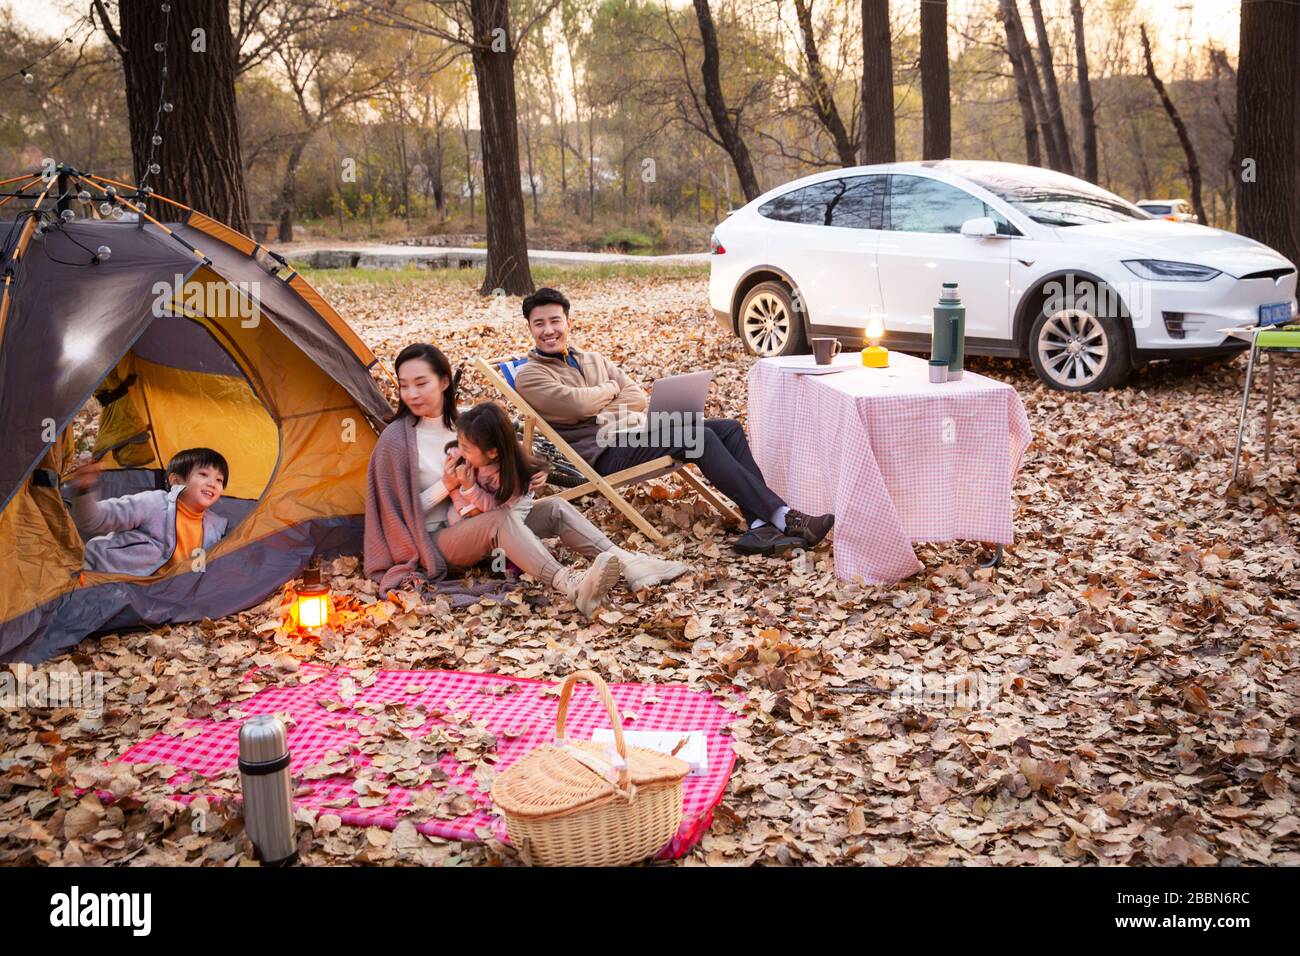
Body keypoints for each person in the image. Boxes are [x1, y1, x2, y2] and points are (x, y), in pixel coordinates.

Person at [363, 344, 687, 619]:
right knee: (500, 520)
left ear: (444, 381)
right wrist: (445, 487)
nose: (412, 393)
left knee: (555, 507)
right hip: (435, 541)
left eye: (421, 383)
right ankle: (571, 585)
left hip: (489, 516)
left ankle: (630, 564)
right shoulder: (396, 441)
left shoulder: (469, 422)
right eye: (404, 386)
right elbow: (393, 517)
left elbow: (506, 463)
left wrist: (530, 474)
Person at [512, 287, 834, 556]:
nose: (548, 330)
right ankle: (784, 516)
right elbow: (575, 404)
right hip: (601, 453)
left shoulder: (592, 359)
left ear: (568, 322)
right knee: (699, 438)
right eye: (539, 324)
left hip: (634, 432)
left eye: (555, 320)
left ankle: (760, 524)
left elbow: (636, 396)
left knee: (728, 429)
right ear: (530, 328)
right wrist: (609, 390)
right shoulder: (530, 375)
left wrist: (600, 408)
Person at [67, 447, 230, 575]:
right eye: (204, 474)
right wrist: (84, 489)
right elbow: (93, 520)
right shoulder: (153, 504)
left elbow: (201, 575)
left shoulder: (215, 529)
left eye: (219, 480)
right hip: (100, 573)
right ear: (176, 480)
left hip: (148, 595)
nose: (212, 483)